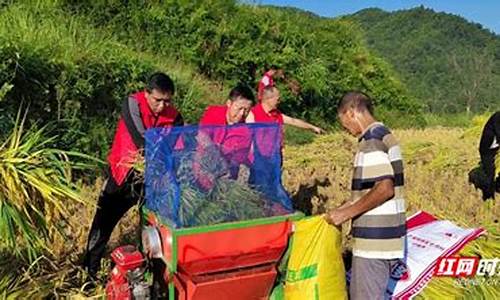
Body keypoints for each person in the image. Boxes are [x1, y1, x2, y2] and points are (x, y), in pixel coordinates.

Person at [83, 72, 183, 278]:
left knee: (154, 229)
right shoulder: (133, 104)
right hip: (123, 174)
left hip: (151, 183)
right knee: (103, 224)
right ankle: (88, 272)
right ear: (146, 94)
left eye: (167, 101)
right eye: (157, 100)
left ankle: (149, 274)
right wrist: (160, 152)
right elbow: (140, 139)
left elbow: (177, 147)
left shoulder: (175, 117)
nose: (162, 106)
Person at [324, 92, 406, 300]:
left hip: (374, 243)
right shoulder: (384, 134)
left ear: (351, 112)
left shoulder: (370, 140)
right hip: (388, 238)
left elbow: (384, 187)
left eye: (344, 122)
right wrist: (342, 209)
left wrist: (347, 214)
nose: (347, 130)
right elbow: (371, 189)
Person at [246, 86, 323, 134]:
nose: (279, 102)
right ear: (268, 99)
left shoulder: (276, 114)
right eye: (277, 99)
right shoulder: (252, 114)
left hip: (275, 156)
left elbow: (293, 121)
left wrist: (312, 127)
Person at [469, 111, 500, 200]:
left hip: (496, 148)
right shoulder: (497, 117)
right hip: (487, 150)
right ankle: (488, 197)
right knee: (490, 173)